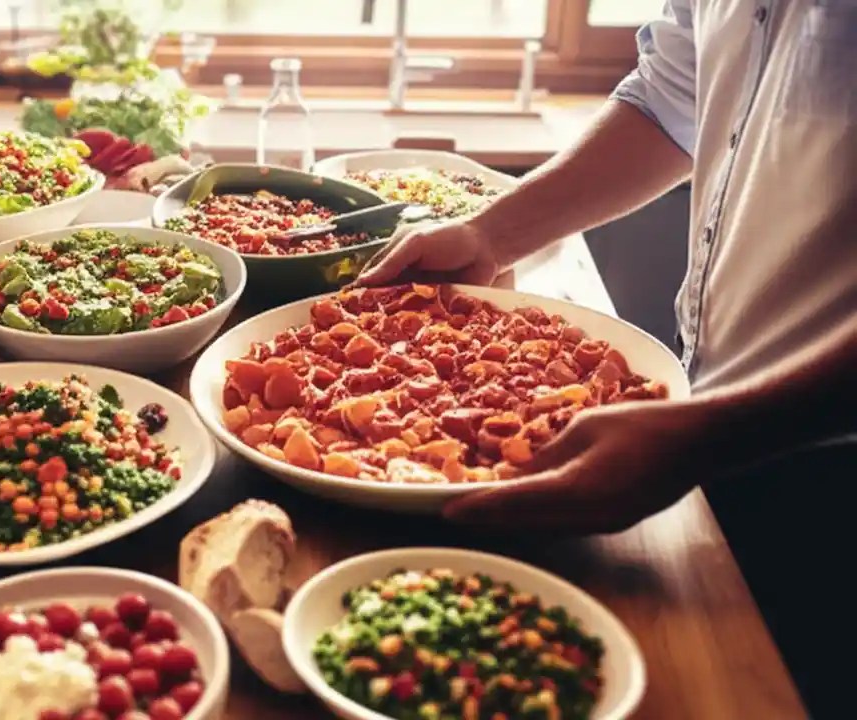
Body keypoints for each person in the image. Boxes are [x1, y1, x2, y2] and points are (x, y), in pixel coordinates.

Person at [355, 1, 855, 715]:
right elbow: (671, 99)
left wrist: (714, 431)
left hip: (832, 461)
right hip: (715, 414)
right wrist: (492, 236)